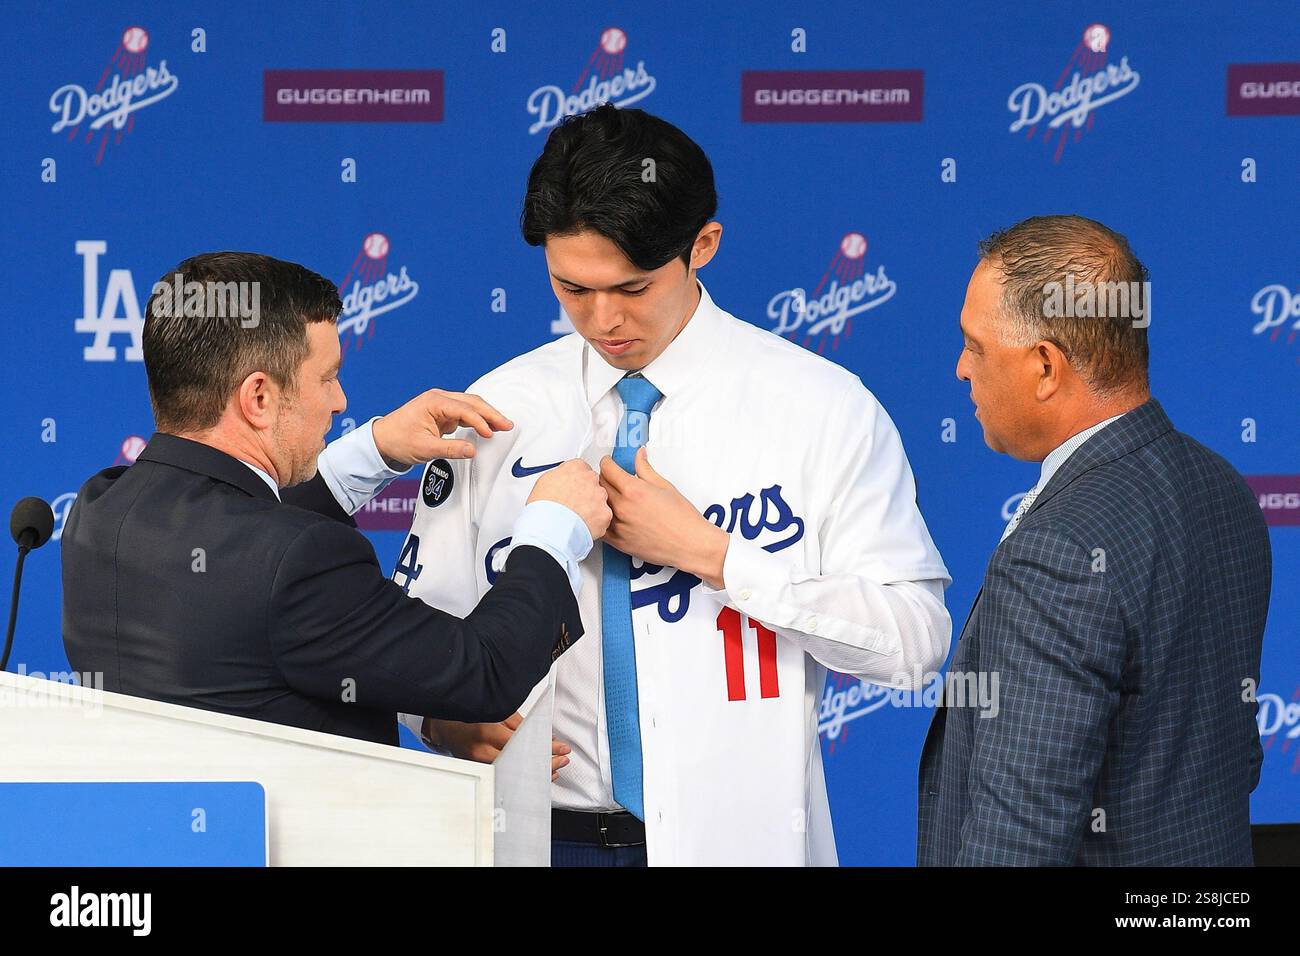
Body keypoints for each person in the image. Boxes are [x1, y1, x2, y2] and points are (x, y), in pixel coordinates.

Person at [395, 105, 951, 866]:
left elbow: (914, 644)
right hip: (534, 840)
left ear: (704, 245)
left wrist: (716, 555)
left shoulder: (822, 407)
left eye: (631, 287)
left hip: (740, 845)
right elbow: (409, 630)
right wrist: (441, 719)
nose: (601, 319)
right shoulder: (497, 410)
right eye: (571, 288)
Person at [62, 251, 611, 746]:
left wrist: (374, 451)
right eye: (326, 378)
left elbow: (238, 563)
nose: (339, 400)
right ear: (258, 397)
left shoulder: (100, 510)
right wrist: (550, 530)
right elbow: (485, 672)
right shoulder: (304, 560)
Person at [918, 215, 1271, 866]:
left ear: (1046, 367)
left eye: (976, 346)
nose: (961, 369)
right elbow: (1229, 757)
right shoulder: (1224, 490)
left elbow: (1015, 842)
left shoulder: (1057, 552)